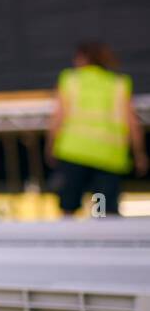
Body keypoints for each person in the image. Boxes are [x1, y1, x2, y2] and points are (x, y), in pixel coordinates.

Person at [46, 41, 147, 217]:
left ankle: (68, 242)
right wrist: (139, 153)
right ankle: (101, 240)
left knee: (69, 206)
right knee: (102, 209)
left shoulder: (70, 80)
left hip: (74, 153)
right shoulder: (118, 83)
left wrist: (50, 145)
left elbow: (58, 118)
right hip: (107, 157)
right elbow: (132, 123)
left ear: (82, 58)